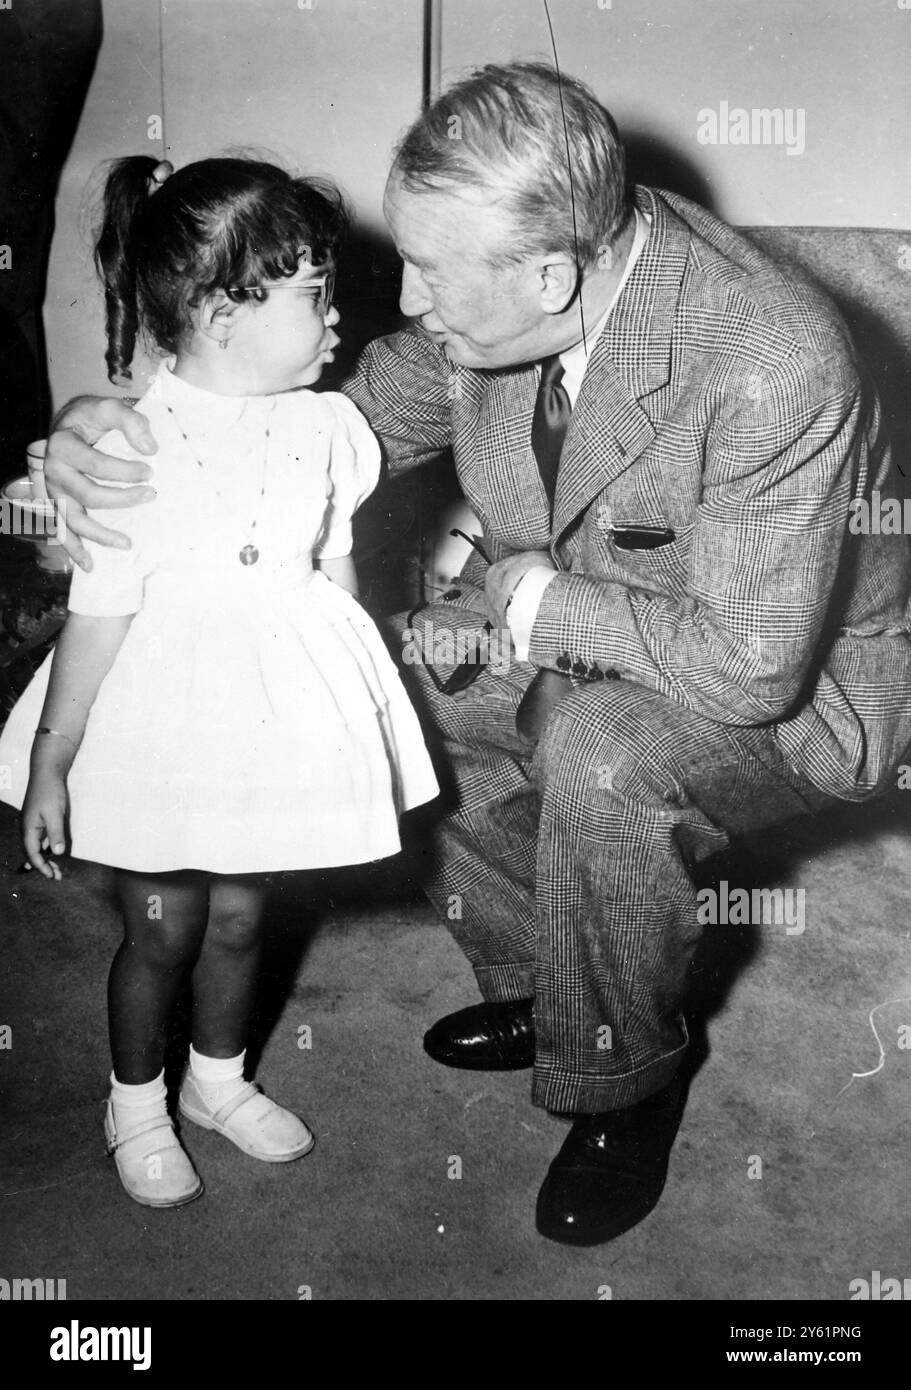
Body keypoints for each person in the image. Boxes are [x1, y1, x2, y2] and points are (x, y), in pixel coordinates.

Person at [39, 64, 911, 1245]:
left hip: (789, 680)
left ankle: (622, 1085)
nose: (402, 296)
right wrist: (100, 432)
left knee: (602, 757)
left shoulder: (770, 357)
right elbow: (283, 412)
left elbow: (749, 667)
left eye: (429, 277)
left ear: (550, 276)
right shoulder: (493, 303)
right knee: (382, 682)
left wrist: (533, 602)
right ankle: (551, 991)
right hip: (595, 624)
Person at [0, 154, 438, 1210]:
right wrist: (53, 758)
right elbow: (96, 618)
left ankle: (216, 1081)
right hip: (166, 715)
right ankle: (136, 1102)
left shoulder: (331, 426)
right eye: (315, 295)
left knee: (243, 916)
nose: (340, 320)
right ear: (221, 310)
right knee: (162, 927)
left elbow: (338, 576)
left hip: (276, 722)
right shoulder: (131, 447)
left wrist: (363, 706)